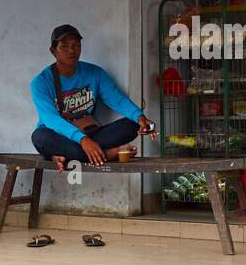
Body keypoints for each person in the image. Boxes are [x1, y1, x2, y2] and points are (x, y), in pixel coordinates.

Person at [30, 23, 155, 169]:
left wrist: (140, 118)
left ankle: (61, 155)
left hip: (90, 135)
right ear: (53, 51)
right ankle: (107, 154)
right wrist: (82, 140)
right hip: (58, 135)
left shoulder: (95, 73)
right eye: (64, 46)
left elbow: (117, 99)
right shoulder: (41, 82)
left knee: (131, 125)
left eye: (76, 45)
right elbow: (50, 119)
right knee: (39, 137)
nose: (71, 50)